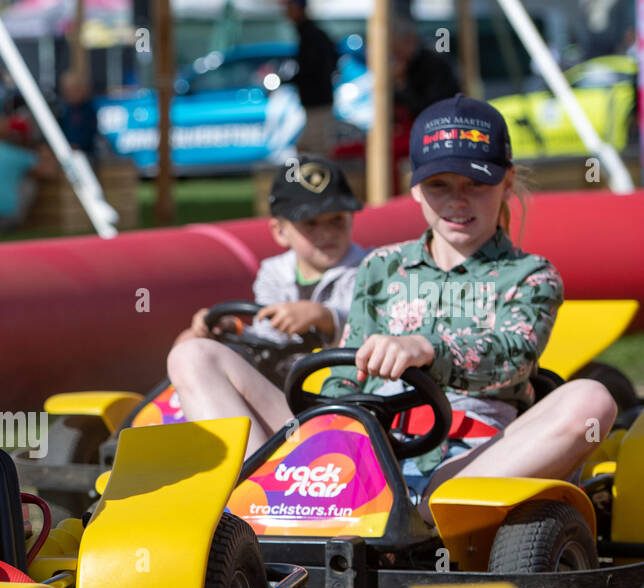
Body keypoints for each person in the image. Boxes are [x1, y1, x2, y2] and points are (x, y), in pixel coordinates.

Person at [166, 95, 616, 520]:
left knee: (592, 399)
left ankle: (424, 517)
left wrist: (429, 350)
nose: (457, 201)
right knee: (193, 356)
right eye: (439, 186)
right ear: (416, 190)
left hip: (462, 461)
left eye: (476, 184)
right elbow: (347, 378)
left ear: (507, 182)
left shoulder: (530, 275)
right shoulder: (382, 266)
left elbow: (513, 356)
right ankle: (259, 502)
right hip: (358, 448)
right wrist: (327, 429)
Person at [172, 156, 365, 360]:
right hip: (283, 379)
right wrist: (233, 329)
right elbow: (269, 340)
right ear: (280, 231)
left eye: (336, 219)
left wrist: (324, 317)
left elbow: (375, 327)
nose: (327, 233)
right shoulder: (274, 272)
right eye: (311, 223)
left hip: (339, 380)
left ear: (351, 218)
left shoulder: (371, 268)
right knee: (189, 341)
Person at [285, 0, 339, 156]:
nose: (287, 13)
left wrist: (291, 80)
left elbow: (313, 68)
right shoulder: (308, 33)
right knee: (308, 147)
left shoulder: (312, 35)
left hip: (318, 101)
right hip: (315, 101)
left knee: (315, 150)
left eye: (290, 8)